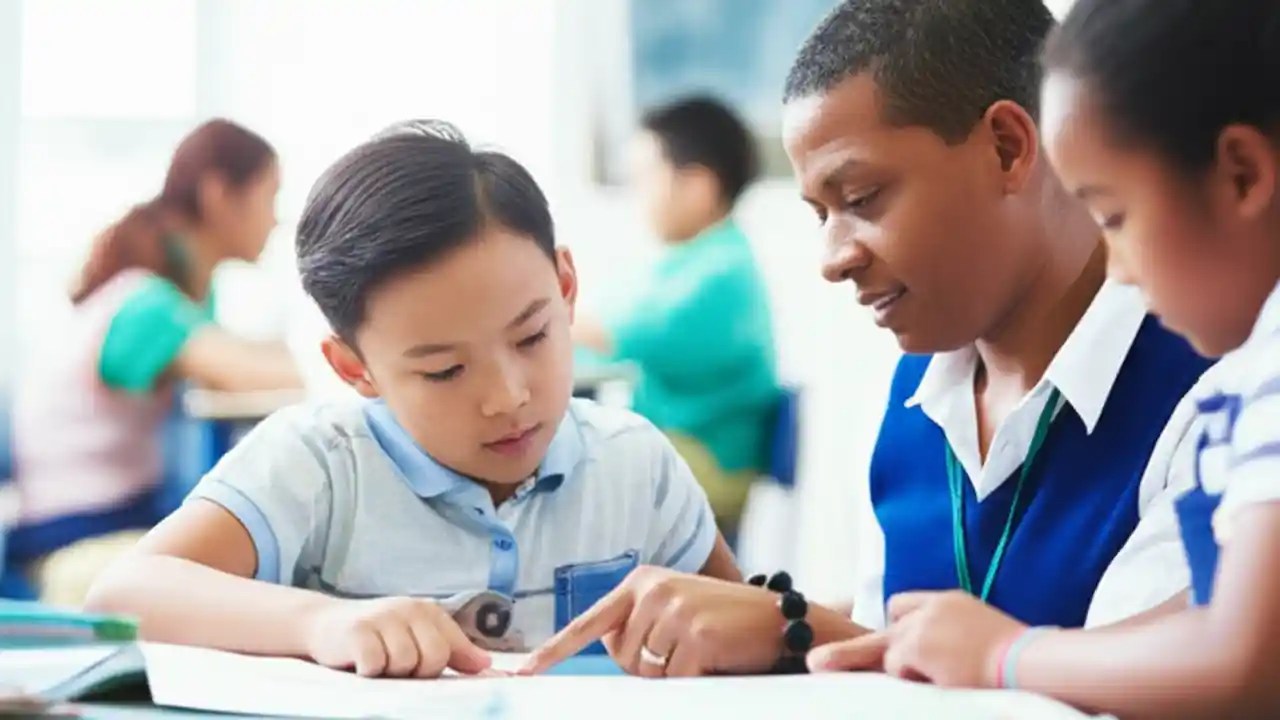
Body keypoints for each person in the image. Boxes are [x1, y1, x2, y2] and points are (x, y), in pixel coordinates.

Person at [521, 0, 1219, 678]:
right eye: (819, 214)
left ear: (1007, 148)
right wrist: (787, 625)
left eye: (860, 200)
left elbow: (1152, 686)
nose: (832, 257)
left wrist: (795, 625)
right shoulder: (917, 394)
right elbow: (893, 644)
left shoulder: (1210, 387)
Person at [85, 120, 739, 678]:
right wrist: (320, 623)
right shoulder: (318, 465)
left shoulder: (636, 467)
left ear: (565, 285)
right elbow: (123, 596)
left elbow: (748, 627)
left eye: (534, 335)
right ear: (354, 367)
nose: (508, 397)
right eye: (446, 371)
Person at [810, 2, 1280, 718]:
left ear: (1242, 174)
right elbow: (1207, 619)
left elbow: (1244, 660)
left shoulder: (1250, 368)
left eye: (1114, 217)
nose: (1117, 268)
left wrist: (1006, 655)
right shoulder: (915, 392)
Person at [9, 119, 301, 606]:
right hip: (72, 537)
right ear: (218, 194)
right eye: (269, 197)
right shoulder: (146, 306)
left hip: (114, 518)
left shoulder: (173, 299)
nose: (276, 220)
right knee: (257, 581)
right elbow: (252, 371)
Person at [574, 96, 779, 536]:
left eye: (646, 178)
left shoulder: (718, 273)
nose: (639, 198)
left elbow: (606, 332)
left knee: (577, 471)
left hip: (706, 458)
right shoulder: (691, 261)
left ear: (698, 186)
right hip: (688, 445)